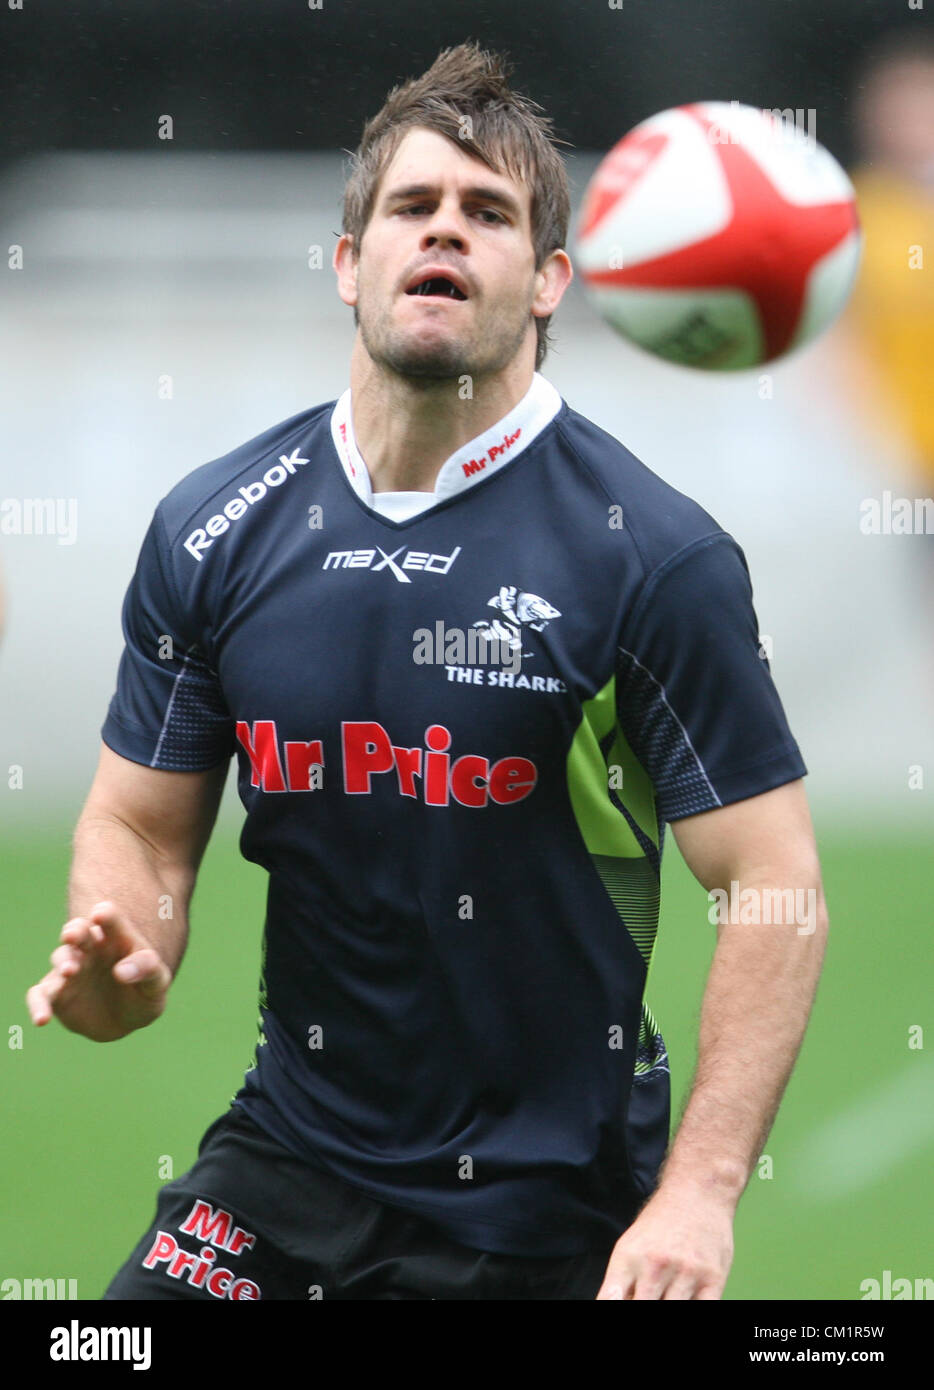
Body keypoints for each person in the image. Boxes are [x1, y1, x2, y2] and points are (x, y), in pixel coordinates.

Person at [26, 41, 827, 1301]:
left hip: (548, 1209)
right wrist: (130, 948)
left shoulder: (651, 558)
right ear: (351, 264)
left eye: (487, 213)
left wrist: (699, 1193)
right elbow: (138, 821)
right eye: (412, 207)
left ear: (550, 279)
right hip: (283, 1165)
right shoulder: (215, 526)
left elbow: (775, 886)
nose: (443, 232)